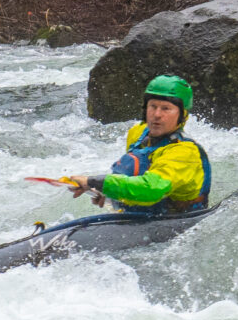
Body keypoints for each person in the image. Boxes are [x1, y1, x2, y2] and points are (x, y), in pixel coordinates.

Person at [69, 74, 209, 216]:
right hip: (139, 218)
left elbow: (151, 189)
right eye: (152, 106)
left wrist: (96, 182)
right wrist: (108, 193)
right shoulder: (138, 134)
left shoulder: (185, 153)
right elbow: (132, 179)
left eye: (166, 108)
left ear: (182, 115)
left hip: (173, 223)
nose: (157, 114)